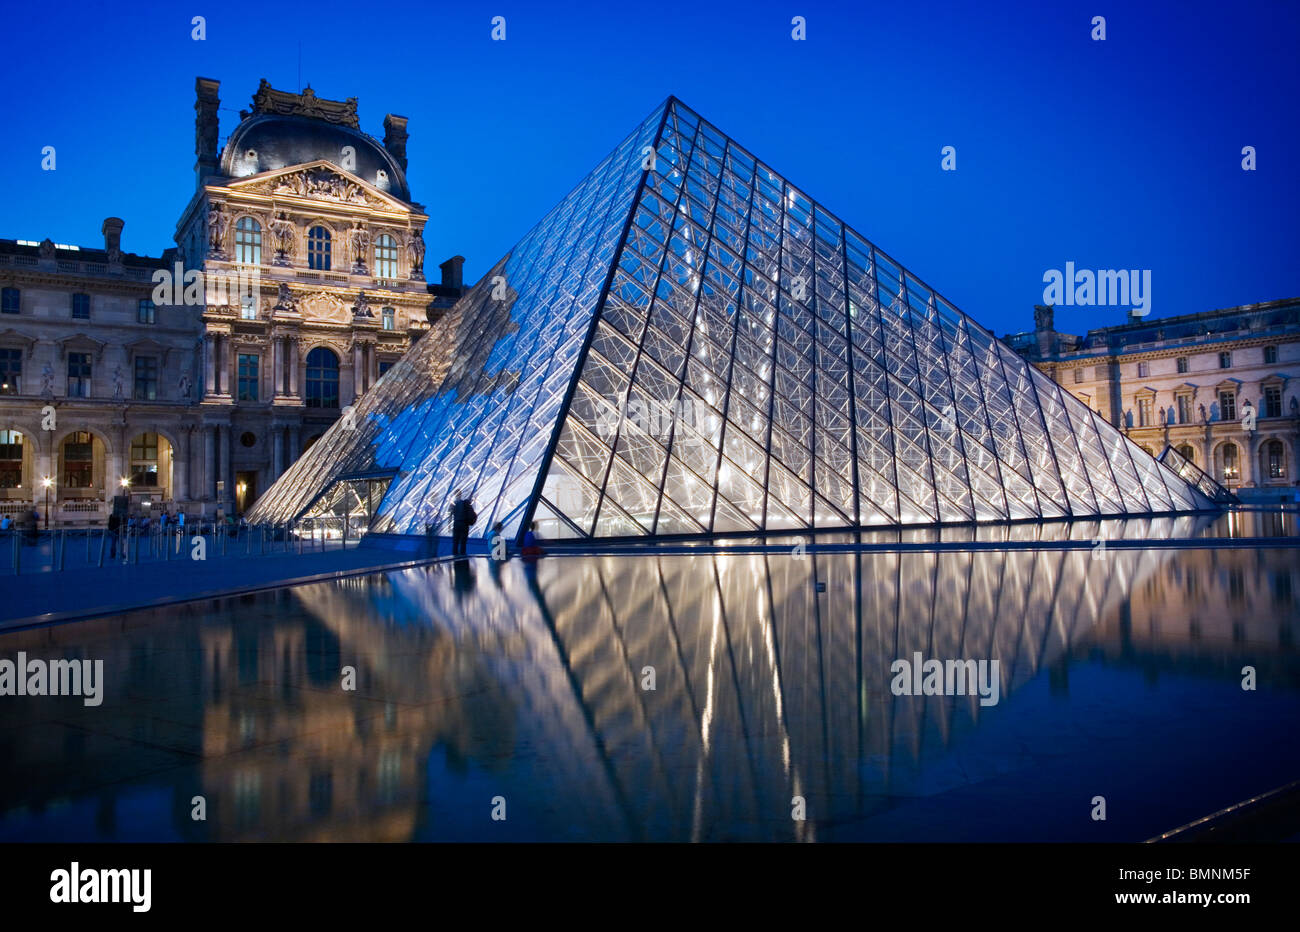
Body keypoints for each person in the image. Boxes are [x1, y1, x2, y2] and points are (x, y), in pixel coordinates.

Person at [450, 490, 477, 557]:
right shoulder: (466, 504)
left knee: (455, 542)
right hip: (464, 524)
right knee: (463, 542)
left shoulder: (454, 503)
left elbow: (450, 514)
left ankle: (454, 556)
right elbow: (473, 514)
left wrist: (449, 526)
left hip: (456, 524)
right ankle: (462, 556)